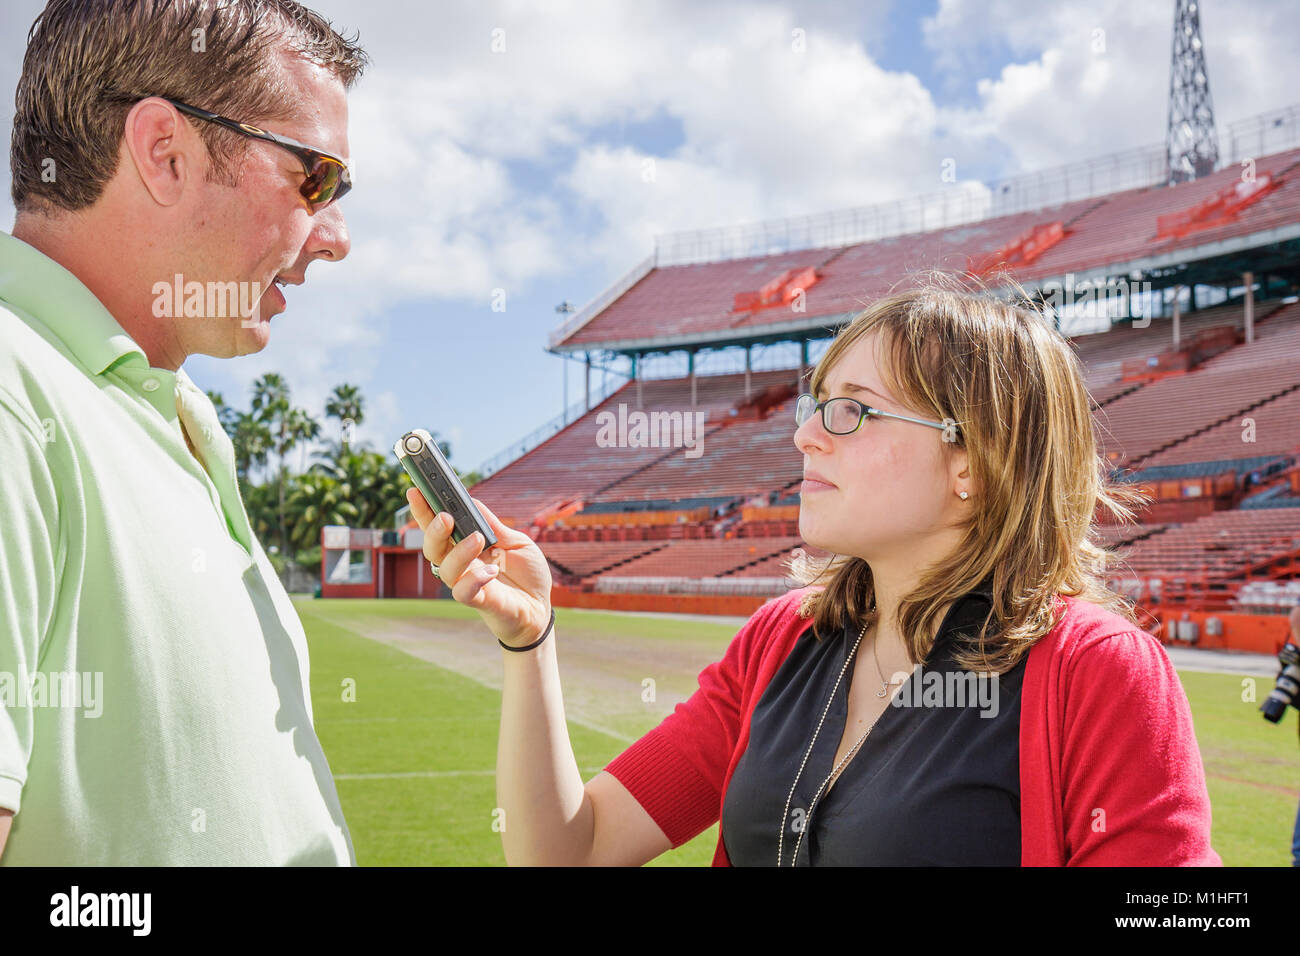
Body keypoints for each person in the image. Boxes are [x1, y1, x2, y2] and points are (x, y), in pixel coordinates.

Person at [409, 275, 1223, 866]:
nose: (805, 436)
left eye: (852, 411)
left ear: (974, 459)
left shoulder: (1096, 672)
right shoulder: (780, 641)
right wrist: (532, 641)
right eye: (815, 405)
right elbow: (571, 852)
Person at [0, 0, 367, 864]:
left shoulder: (171, 415)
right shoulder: (16, 397)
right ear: (165, 151)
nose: (338, 238)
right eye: (317, 178)